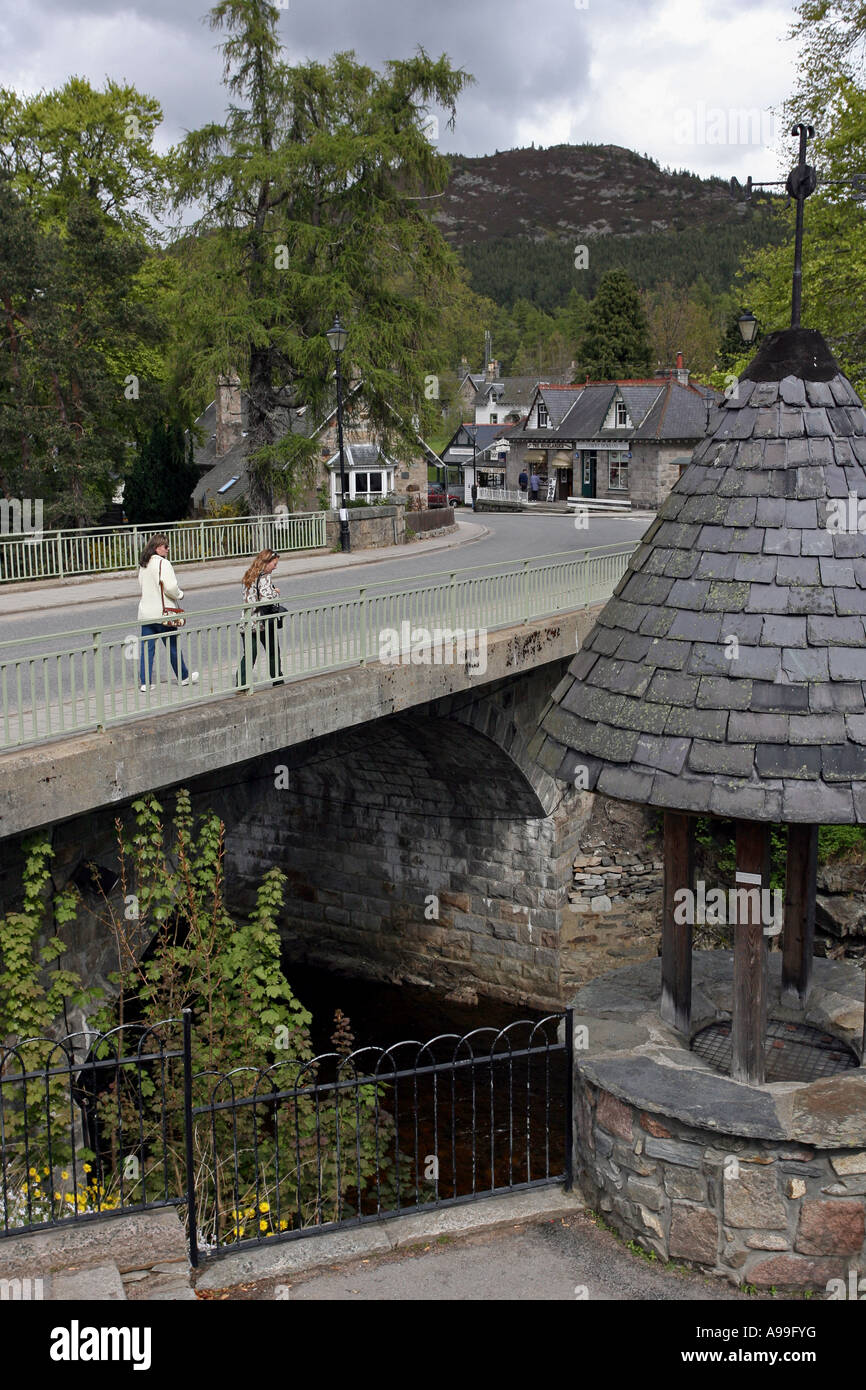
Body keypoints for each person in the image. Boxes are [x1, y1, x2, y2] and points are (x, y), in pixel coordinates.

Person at [137, 534, 199, 692]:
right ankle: (183, 677)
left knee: (147, 649)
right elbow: (171, 587)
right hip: (163, 613)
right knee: (172, 646)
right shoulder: (163, 563)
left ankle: (145, 682)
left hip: (146, 613)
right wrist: (180, 595)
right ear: (157, 548)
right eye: (166, 547)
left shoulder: (144, 564)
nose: (168, 549)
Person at [237, 549, 284, 686]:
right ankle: (277, 679)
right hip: (262, 621)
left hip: (247, 620)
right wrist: (276, 593)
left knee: (250, 654)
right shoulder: (264, 577)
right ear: (266, 562)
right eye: (274, 564)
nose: (275, 567)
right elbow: (266, 600)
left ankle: (242, 683)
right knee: (273, 650)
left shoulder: (249, 575)